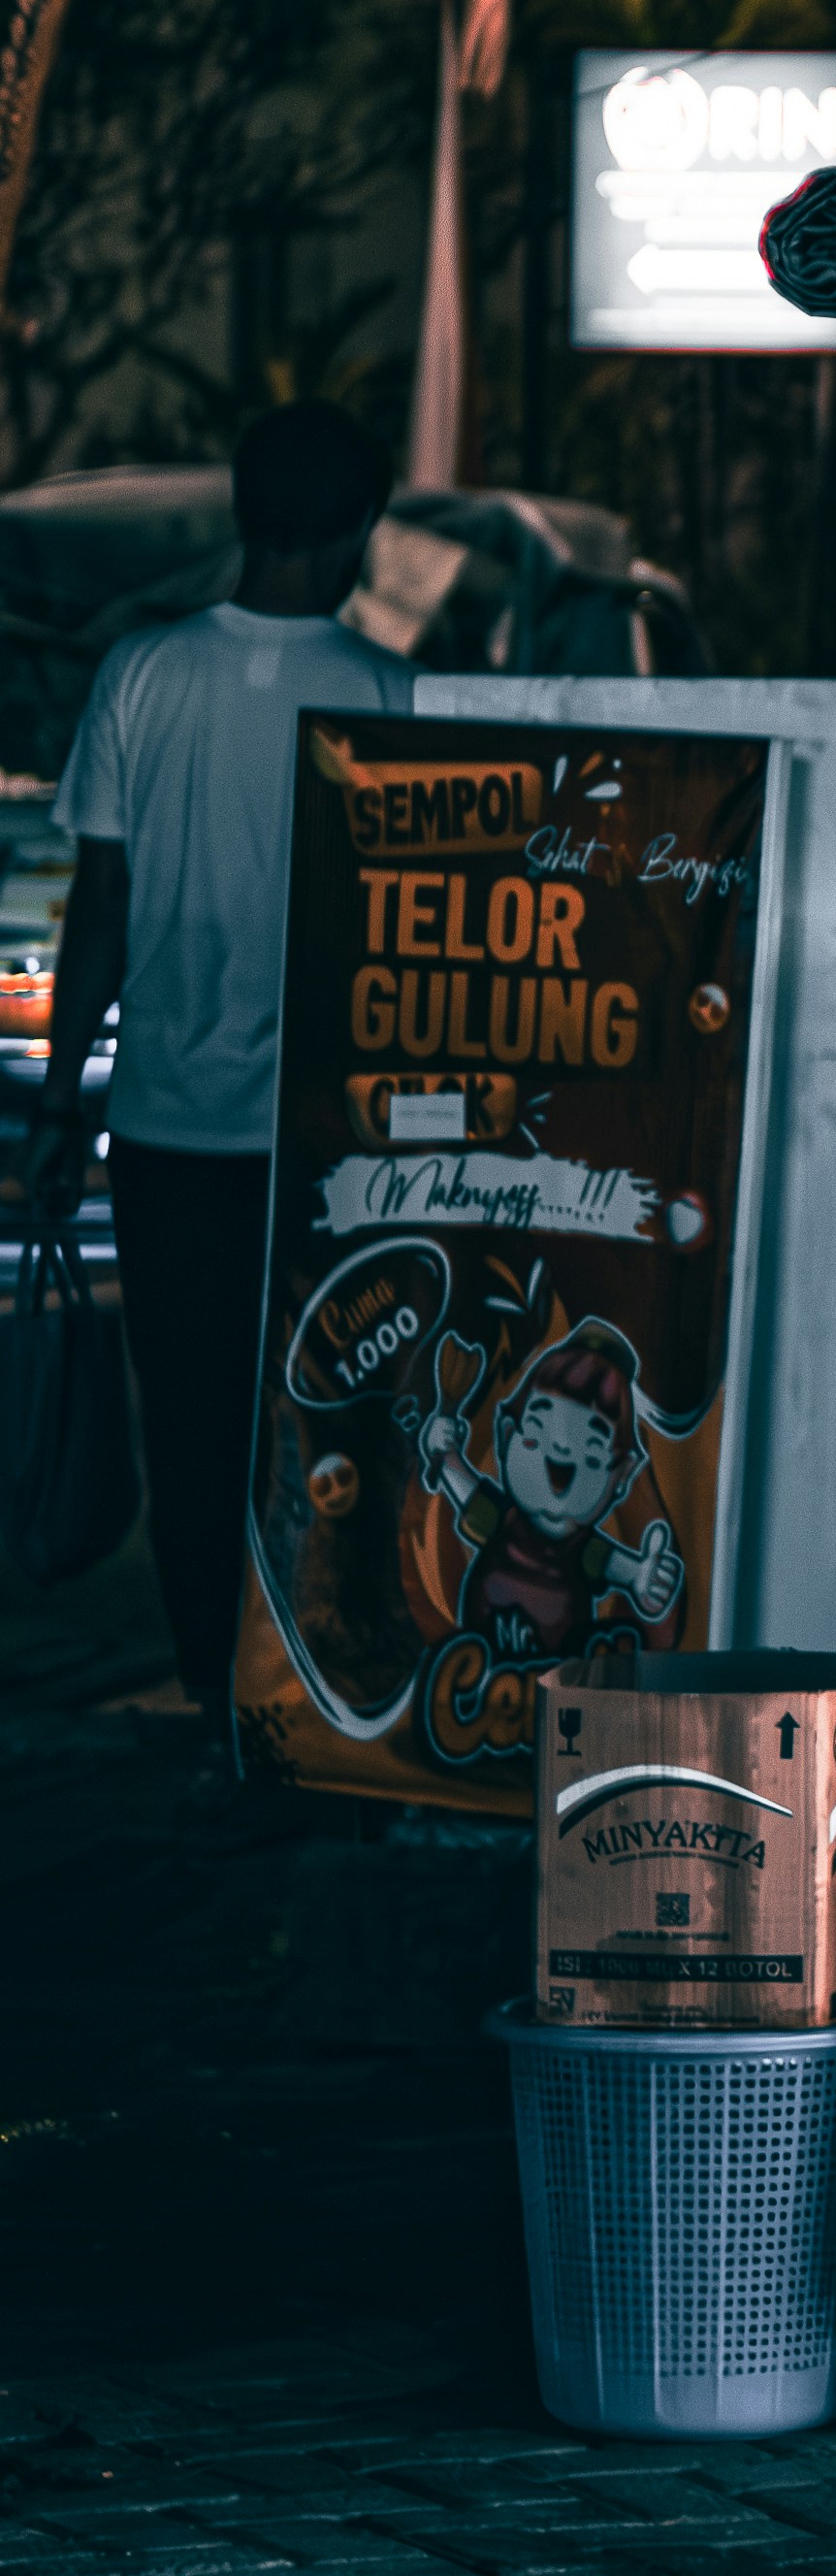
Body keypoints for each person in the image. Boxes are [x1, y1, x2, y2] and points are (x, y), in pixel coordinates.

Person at [23, 404, 408, 1713]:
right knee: (324, 1423)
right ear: (354, 529)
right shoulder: (381, 693)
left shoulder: (144, 672)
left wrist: (65, 1101)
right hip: (326, 1142)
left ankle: (208, 1693)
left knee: (185, 1427)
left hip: (167, 1127)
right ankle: (307, 1694)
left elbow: (101, 908)